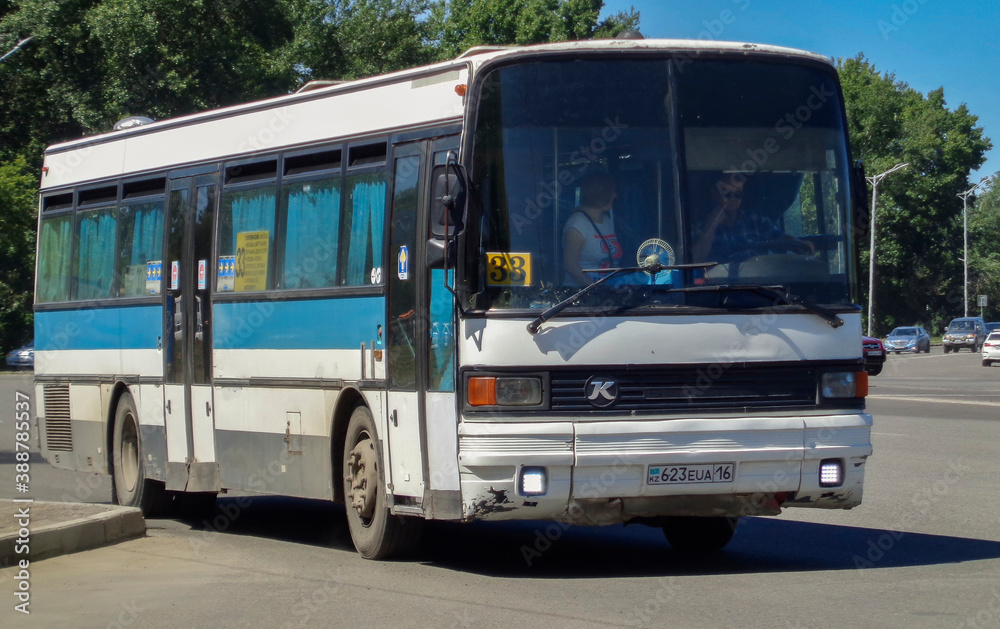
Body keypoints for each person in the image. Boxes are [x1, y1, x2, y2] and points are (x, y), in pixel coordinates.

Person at [692, 174, 811, 262]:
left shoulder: (755, 220)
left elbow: (779, 238)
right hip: (721, 290)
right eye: (727, 193)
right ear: (714, 193)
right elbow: (696, 259)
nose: (733, 198)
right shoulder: (700, 226)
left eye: (738, 194)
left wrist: (799, 245)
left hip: (762, 286)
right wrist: (711, 226)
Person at [562, 172, 623, 286]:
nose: (615, 195)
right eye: (611, 192)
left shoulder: (607, 221)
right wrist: (596, 290)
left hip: (609, 290)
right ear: (601, 195)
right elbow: (571, 266)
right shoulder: (577, 225)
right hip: (581, 296)